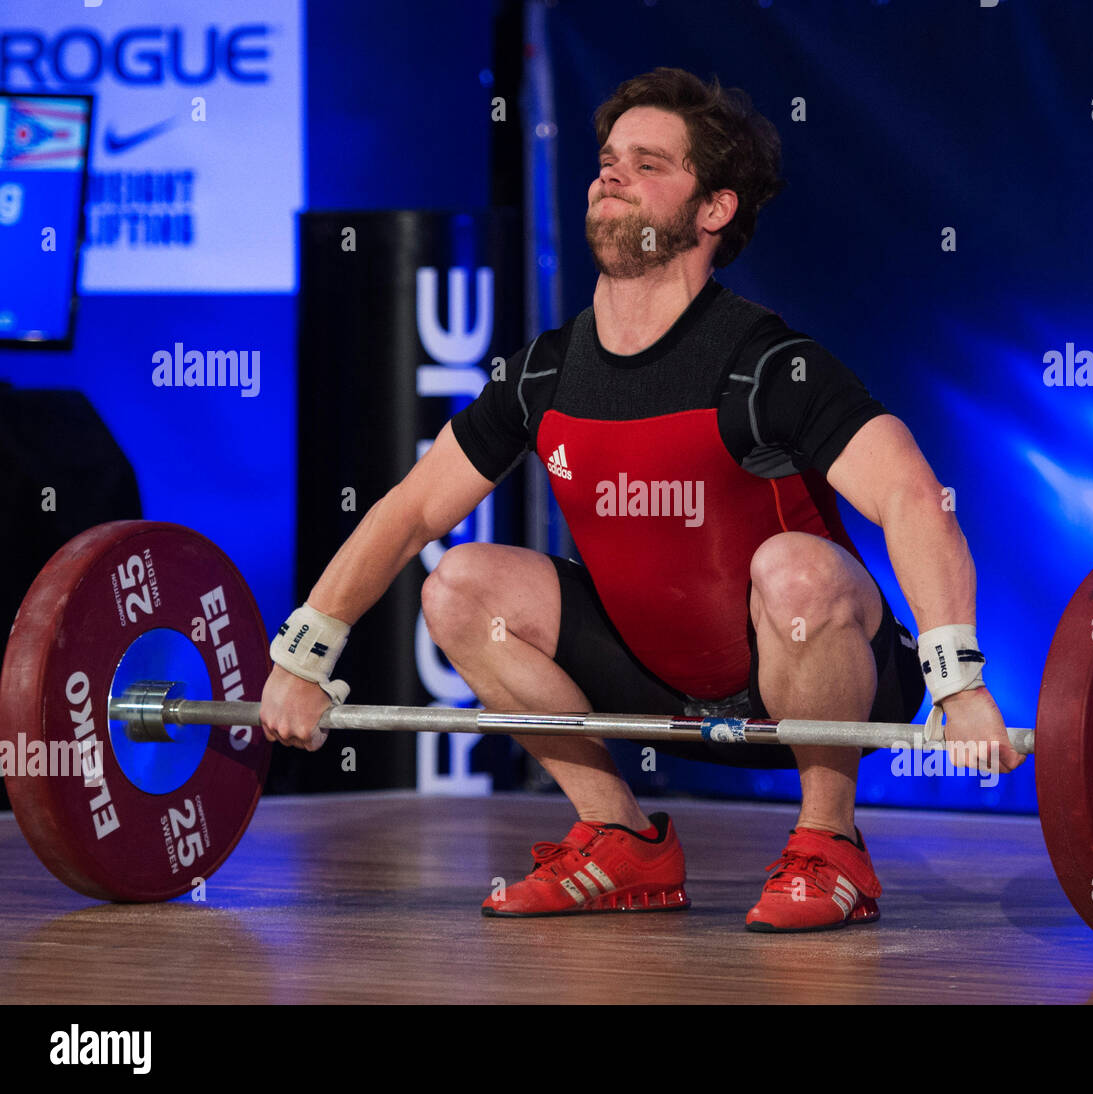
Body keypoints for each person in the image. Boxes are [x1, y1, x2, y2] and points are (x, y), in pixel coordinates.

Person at [261, 67, 1023, 932]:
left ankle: (830, 841)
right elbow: (410, 513)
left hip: (816, 672)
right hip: (656, 676)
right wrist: (304, 655)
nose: (611, 175)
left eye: (649, 163)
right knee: (459, 586)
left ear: (714, 209)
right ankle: (621, 839)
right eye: (608, 160)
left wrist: (959, 683)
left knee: (796, 569)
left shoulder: (768, 365)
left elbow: (915, 496)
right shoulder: (545, 373)